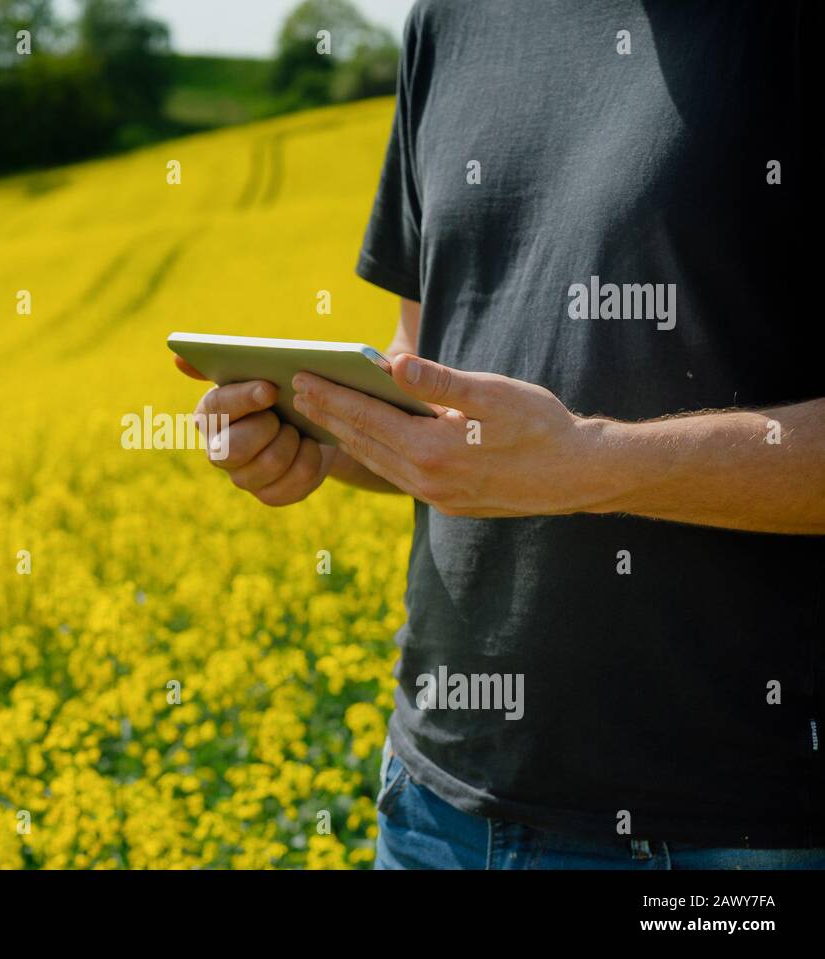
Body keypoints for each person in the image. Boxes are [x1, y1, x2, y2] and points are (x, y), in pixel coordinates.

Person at [176, 0, 825, 869]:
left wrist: (591, 463)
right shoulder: (449, 19)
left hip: (727, 832)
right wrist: (321, 438)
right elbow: (426, 365)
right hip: (433, 805)